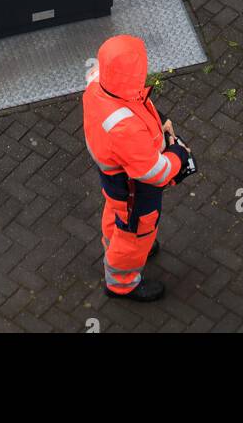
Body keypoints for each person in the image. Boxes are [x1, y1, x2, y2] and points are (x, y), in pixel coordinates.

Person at [83, 33, 191, 302]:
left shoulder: (99, 85)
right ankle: (122, 283)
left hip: (117, 180)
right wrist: (178, 155)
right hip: (135, 187)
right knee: (136, 230)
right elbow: (154, 172)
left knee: (118, 214)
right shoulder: (124, 128)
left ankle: (117, 245)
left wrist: (160, 118)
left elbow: (134, 101)